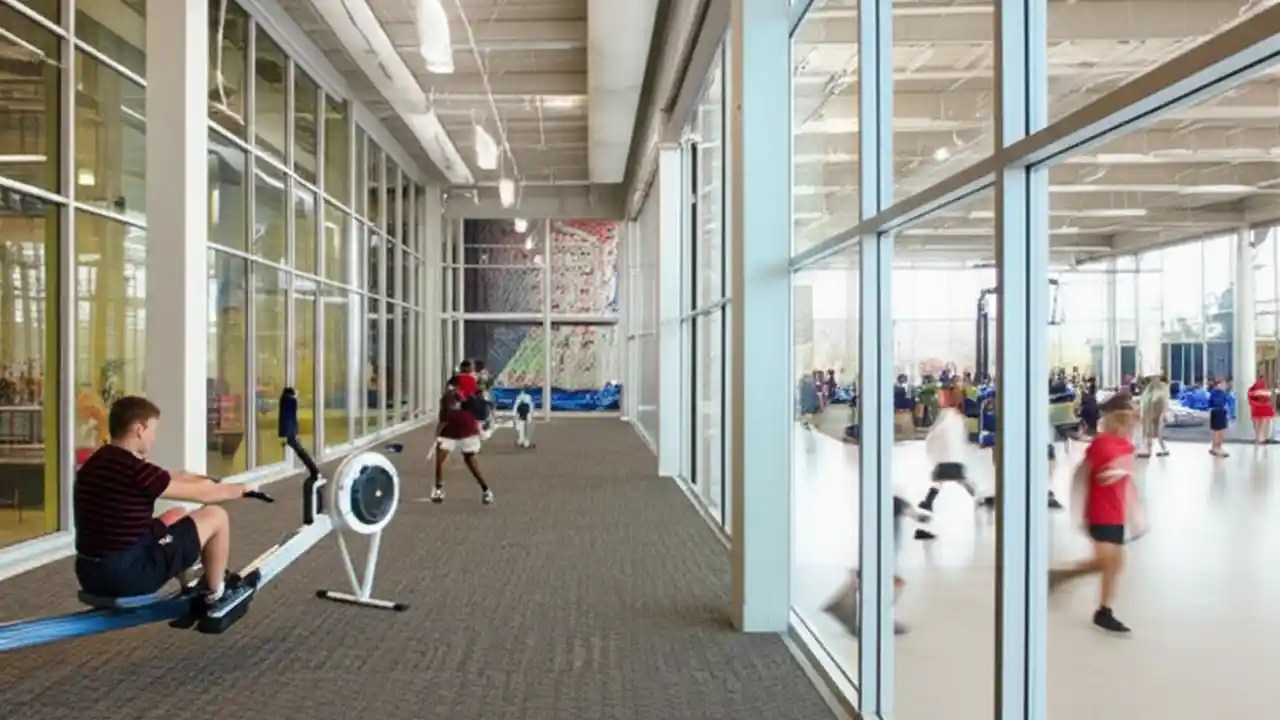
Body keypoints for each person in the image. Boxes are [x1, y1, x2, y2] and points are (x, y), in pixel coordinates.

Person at [74, 396, 258, 608]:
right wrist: (242, 489)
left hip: (90, 574)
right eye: (153, 430)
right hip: (126, 576)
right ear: (139, 429)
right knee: (216, 516)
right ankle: (216, 596)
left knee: (176, 515)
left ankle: (192, 578)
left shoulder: (97, 463)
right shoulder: (136, 470)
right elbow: (206, 496)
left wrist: (199, 478)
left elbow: (169, 478)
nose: (154, 438)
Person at [1049, 391, 1145, 635]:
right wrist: (1078, 511)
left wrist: (1135, 513)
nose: (1134, 422)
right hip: (1100, 512)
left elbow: (1127, 481)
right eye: (1131, 418)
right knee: (1106, 561)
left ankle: (1098, 605)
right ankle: (1071, 583)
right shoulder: (1101, 445)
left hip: (1116, 513)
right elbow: (1082, 476)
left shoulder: (1126, 446)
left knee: (1114, 563)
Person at [823, 495, 931, 637]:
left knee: (890, 587)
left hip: (881, 561)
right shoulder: (889, 523)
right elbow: (916, 515)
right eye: (906, 509)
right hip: (880, 563)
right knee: (891, 588)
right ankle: (879, 621)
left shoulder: (882, 521)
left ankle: (880, 620)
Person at [916, 389, 978, 537]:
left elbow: (935, 436)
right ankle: (979, 496)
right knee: (959, 480)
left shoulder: (947, 417)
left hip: (946, 461)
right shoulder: (957, 418)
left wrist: (932, 450)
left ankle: (927, 504)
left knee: (942, 480)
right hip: (954, 460)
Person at [431, 392, 493, 505]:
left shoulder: (451, 411)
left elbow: (441, 425)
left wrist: (436, 438)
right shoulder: (460, 410)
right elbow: (475, 424)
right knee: (469, 464)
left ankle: (486, 490)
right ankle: (486, 491)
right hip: (459, 436)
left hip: (459, 436)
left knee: (443, 462)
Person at [1137, 375, 1170, 458]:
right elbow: (1145, 401)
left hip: (1158, 414)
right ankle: (1149, 449)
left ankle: (1163, 449)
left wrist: (1164, 413)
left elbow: (1163, 402)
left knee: (1158, 433)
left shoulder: (1162, 389)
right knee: (1149, 432)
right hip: (1150, 414)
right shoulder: (1150, 390)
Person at [1247, 375, 1274, 445]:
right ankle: (1261, 438)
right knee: (1262, 424)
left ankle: (1261, 438)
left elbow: (1251, 398)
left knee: (1261, 424)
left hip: (1260, 410)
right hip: (1261, 410)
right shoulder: (1260, 390)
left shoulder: (1254, 390)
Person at [1208, 377, 1230, 457]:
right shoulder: (1218, 393)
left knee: (1217, 431)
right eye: (1224, 384)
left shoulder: (1217, 393)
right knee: (1219, 431)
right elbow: (1219, 403)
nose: (1225, 386)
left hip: (1218, 413)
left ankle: (1215, 447)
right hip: (1218, 413)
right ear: (1219, 384)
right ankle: (1217, 447)